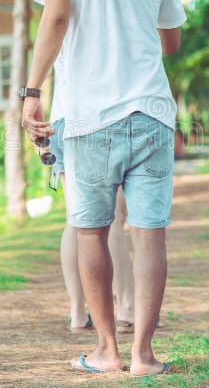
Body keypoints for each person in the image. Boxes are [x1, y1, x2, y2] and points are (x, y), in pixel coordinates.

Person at [22, 0, 185, 376]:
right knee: (149, 234)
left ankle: (107, 351)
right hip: (153, 115)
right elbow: (171, 43)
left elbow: (55, 18)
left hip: (91, 116)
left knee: (91, 230)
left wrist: (31, 93)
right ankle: (144, 357)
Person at [48, 54, 135, 333]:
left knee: (76, 219)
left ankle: (77, 312)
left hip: (60, 119)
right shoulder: (105, 16)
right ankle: (126, 308)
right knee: (113, 218)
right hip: (99, 118)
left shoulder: (55, 15)